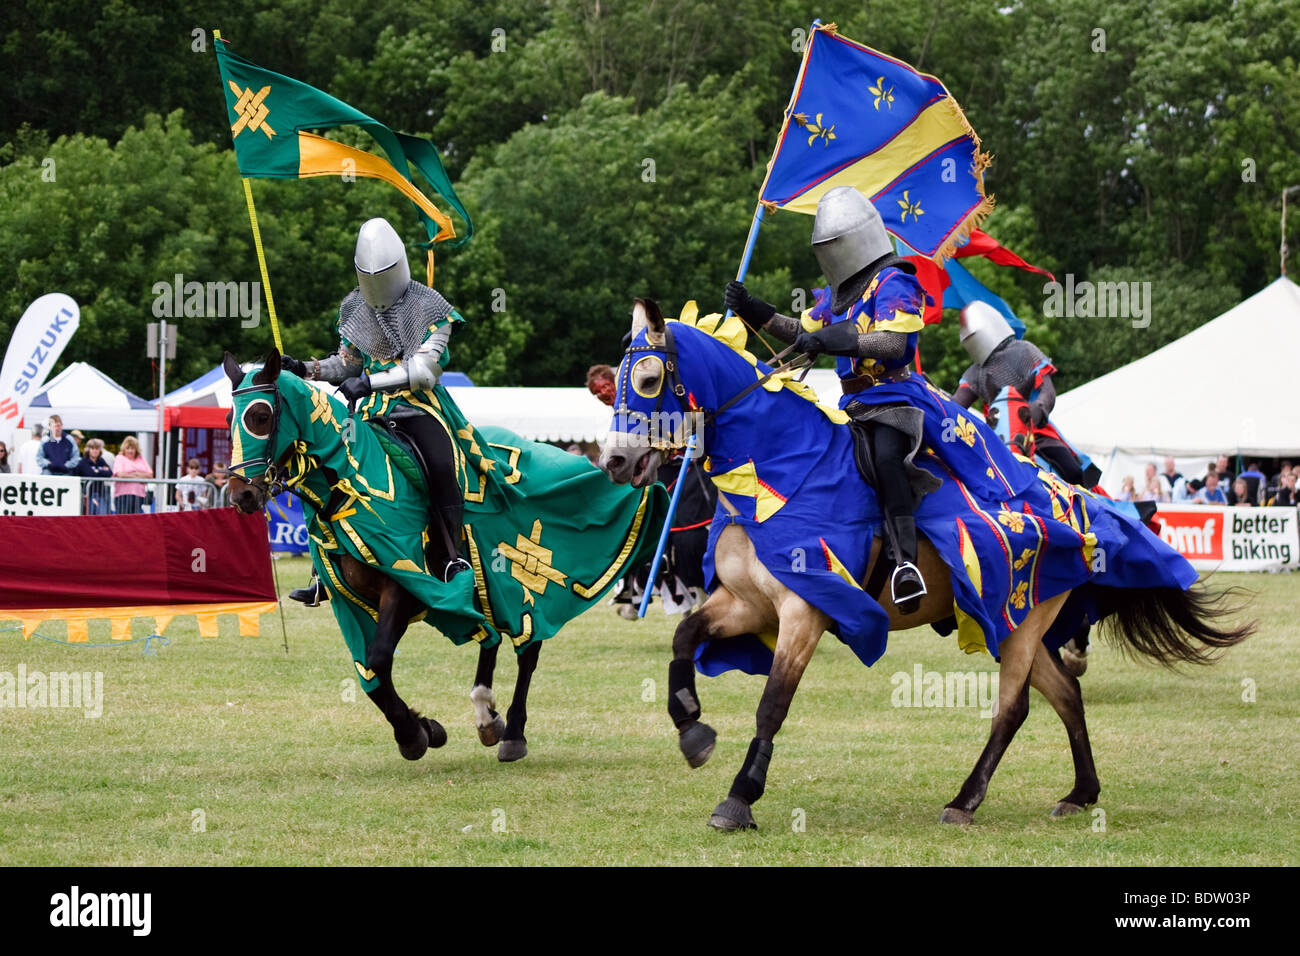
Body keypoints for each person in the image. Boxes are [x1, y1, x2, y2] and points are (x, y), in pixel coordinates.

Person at [724, 186, 940, 612]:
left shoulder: (896, 281)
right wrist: (754, 308)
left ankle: (906, 564)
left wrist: (830, 339)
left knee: (884, 458)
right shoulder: (835, 296)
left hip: (893, 400)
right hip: (850, 407)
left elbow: (893, 343)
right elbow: (799, 332)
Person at [280, 217, 472, 603]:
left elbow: (425, 371)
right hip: (366, 413)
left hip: (418, 407)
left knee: (438, 464)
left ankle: (453, 556)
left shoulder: (430, 306)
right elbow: (347, 363)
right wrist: (305, 368)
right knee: (322, 468)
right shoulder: (354, 306)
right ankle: (323, 570)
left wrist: (370, 382)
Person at [951, 301, 1089, 486]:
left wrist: (1038, 408)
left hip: (1033, 430)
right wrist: (932, 398)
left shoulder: (1024, 351)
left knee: (1072, 472)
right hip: (997, 436)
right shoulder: (975, 373)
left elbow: (1047, 391)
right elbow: (956, 404)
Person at [111, 435, 153, 514]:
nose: (130, 451)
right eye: (128, 448)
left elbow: (150, 475)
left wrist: (135, 474)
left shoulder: (141, 459)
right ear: (124, 449)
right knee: (122, 518)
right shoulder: (119, 458)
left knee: (135, 519)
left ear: (136, 449)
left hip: (138, 494)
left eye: (132, 448)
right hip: (123, 494)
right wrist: (138, 476)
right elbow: (120, 474)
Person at [74, 438, 113, 514]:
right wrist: (102, 471)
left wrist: (98, 471)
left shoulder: (101, 460)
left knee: (102, 513)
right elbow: (90, 474)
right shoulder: (83, 462)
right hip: (88, 493)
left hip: (101, 492)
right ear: (88, 450)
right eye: (92, 448)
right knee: (91, 514)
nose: (95, 451)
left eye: (97, 449)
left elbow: (109, 473)